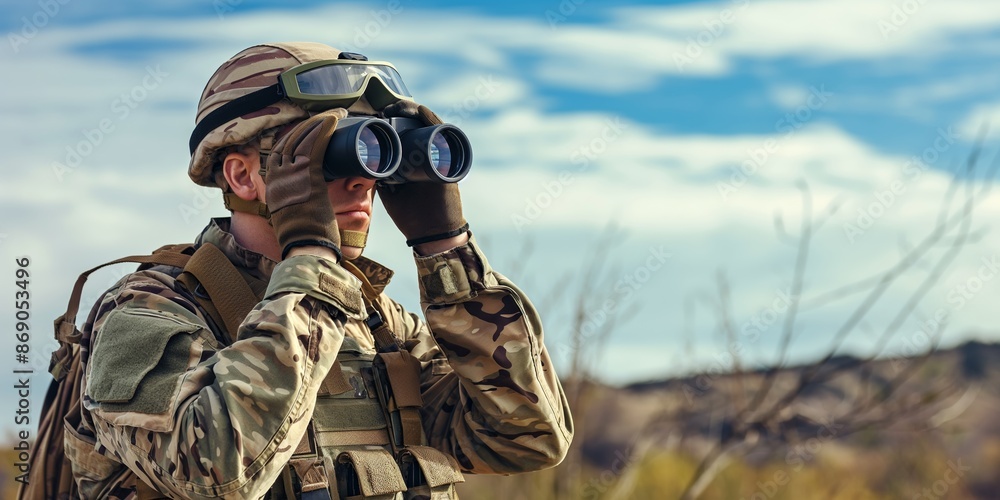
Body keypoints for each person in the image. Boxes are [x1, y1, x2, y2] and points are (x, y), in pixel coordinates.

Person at [70, 42, 573, 499]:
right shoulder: (144, 311)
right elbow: (216, 475)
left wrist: (446, 250)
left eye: (378, 151)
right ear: (243, 175)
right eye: (330, 152)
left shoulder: (377, 324)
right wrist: (311, 254)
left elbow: (525, 440)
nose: (363, 179)